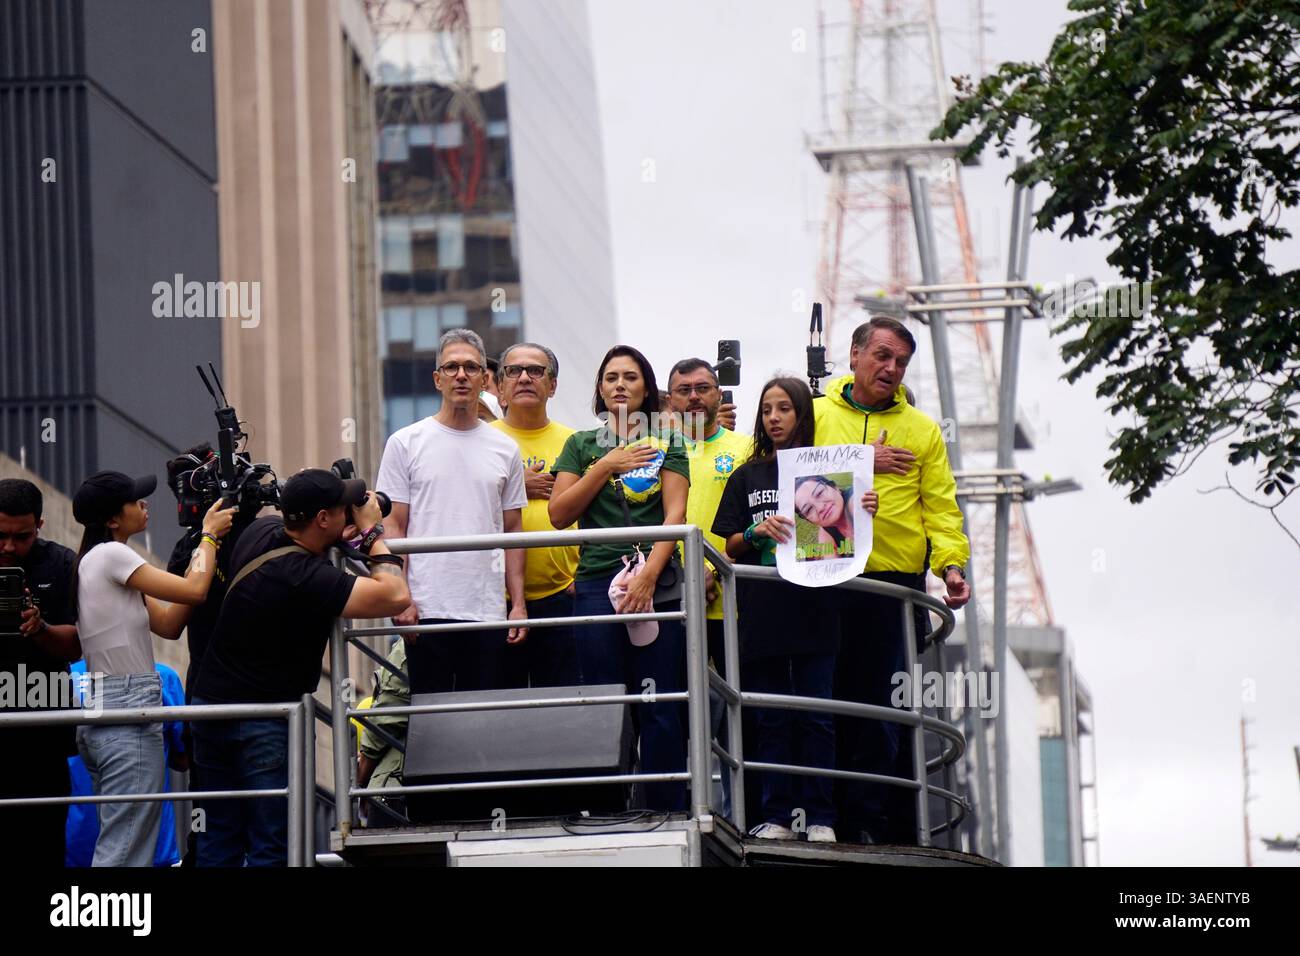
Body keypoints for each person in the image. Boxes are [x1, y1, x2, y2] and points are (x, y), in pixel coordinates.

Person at [191, 468, 410, 866]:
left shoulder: (264, 532)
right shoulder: (301, 576)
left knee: (218, 840)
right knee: (271, 844)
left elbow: (308, 534)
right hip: (263, 721)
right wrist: (372, 533)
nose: (351, 513)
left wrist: (340, 532)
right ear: (322, 519)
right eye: (343, 508)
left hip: (210, 708)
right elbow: (394, 595)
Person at [813, 315, 971, 845]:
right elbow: (783, 470)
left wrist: (951, 566)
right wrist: (863, 461)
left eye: (901, 361)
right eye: (882, 355)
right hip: (821, 575)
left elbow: (943, 510)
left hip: (893, 584)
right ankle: (822, 819)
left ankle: (874, 822)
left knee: (885, 706)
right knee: (822, 699)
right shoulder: (812, 413)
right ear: (854, 354)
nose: (891, 368)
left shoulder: (923, 430)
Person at [714, 378, 878, 843]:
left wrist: (863, 506)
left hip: (817, 605)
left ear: (802, 414)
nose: (773, 417)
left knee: (816, 715)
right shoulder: (747, 474)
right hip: (763, 610)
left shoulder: (829, 467)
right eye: (766, 409)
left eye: (784, 408)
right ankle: (778, 816)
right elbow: (727, 544)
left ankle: (822, 817)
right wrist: (756, 530)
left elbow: (845, 537)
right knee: (771, 717)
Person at [549, 345, 691, 811]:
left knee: (661, 703)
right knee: (604, 703)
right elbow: (558, 513)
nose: (619, 385)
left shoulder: (670, 439)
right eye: (610, 377)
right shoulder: (580, 445)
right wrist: (605, 466)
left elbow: (676, 514)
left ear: (646, 388)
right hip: (593, 583)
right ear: (599, 388)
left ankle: (664, 808)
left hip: (657, 582)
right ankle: (606, 809)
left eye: (630, 377)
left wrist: (649, 573)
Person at [69, 470, 233, 866]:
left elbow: (169, 624)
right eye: (135, 501)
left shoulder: (95, 563)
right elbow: (195, 590)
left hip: (107, 712)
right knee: (125, 850)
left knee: (127, 843)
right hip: (127, 713)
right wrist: (209, 537)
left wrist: (200, 550)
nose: (145, 505)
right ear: (112, 519)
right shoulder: (113, 555)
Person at [378, 328, 529, 695]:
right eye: (451, 367)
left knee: (483, 726)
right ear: (437, 379)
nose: (461, 375)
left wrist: (518, 604)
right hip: (426, 610)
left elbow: (513, 530)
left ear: (483, 378)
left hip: (487, 611)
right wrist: (402, 597)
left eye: (470, 368)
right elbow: (393, 525)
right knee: (431, 727)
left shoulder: (505, 448)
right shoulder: (405, 443)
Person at [490, 342, 581, 687]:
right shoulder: (481, 441)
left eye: (536, 371)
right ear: (500, 387)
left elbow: (598, 514)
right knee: (501, 712)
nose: (525, 377)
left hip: (565, 595)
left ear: (553, 385)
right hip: (493, 600)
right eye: (514, 371)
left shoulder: (577, 442)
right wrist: (514, 487)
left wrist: (582, 575)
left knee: (566, 709)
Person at [0, 478, 80, 866]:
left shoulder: (62, 563)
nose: (9, 547)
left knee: (43, 845)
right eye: (0, 536)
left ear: (40, 526)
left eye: (22, 537)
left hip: (42, 732)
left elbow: (82, 643)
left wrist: (40, 628)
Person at [65, 660, 186, 867]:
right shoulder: (162, 676)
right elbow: (183, 760)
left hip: (76, 843)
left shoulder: (65, 677)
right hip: (149, 845)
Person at [793, 475, 855, 561]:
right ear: (809, 520)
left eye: (819, 493)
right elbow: (832, 567)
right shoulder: (825, 534)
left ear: (834, 487)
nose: (820, 507)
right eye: (809, 509)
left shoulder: (855, 498)